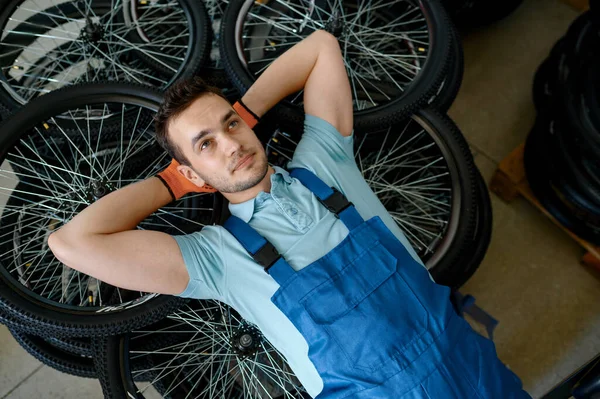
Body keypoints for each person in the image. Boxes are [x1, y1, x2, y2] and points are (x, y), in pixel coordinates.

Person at [48, 30, 531, 398]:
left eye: (230, 124)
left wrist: (246, 111)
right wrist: (174, 181)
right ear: (191, 172)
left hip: (470, 364)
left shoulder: (325, 164)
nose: (232, 143)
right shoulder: (218, 257)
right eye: (206, 144)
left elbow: (321, 46)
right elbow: (72, 243)